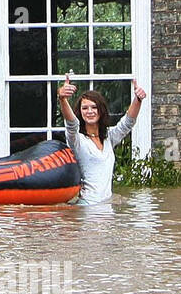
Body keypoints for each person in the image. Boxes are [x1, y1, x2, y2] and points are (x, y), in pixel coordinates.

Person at [57, 73, 147, 205]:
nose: (89, 111)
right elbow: (72, 124)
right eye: (85, 108)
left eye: (94, 107)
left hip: (106, 205)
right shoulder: (77, 140)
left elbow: (127, 123)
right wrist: (62, 98)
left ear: (101, 110)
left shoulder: (108, 138)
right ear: (80, 112)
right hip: (87, 206)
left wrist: (138, 100)